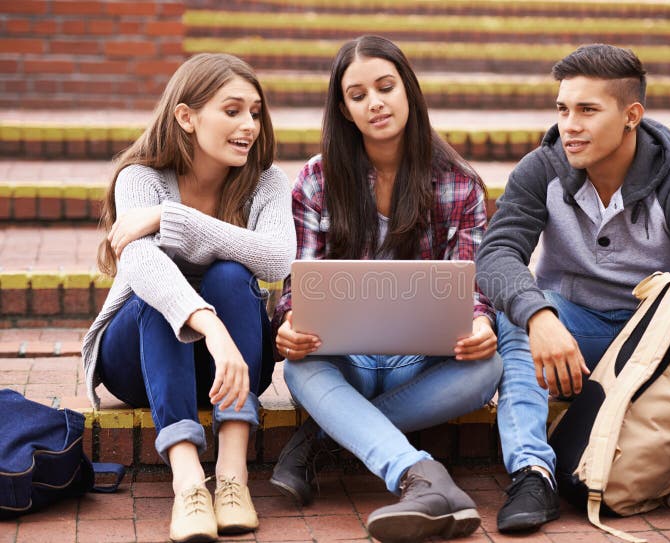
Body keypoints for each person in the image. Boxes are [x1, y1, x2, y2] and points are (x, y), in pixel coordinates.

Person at [476, 44, 670, 534]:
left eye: (587, 110)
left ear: (631, 116)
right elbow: (496, 255)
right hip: (575, 332)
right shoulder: (542, 169)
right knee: (515, 309)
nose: (569, 125)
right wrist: (540, 317)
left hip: (659, 340)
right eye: (563, 109)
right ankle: (533, 471)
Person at [268, 35, 503, 542]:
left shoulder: (459, 183)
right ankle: (419, 474)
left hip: (418, 362)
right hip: (345, 360)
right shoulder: (315, 180)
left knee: (490, 367)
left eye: (385, 86)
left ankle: (321, 438)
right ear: (344, 111)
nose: (374, 102)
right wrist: (290, 323)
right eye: (357, 95)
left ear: (408, 92)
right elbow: (298, 284)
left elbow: (473, 284)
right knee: (298, 365)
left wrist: (480, 323)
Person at [81, 53, 295, 543]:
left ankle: (234, 477)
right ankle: (189, 483)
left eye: (256, 113)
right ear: (186, 116)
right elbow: (141, 265)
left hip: (232, 367)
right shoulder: (141, 178)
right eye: (233, 110)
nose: (249, 126)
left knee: (227, 274)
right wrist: (211, 327)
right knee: (159, 290)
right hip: (140, 359)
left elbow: (277, 259)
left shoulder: (267, 182)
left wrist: (168, 219)